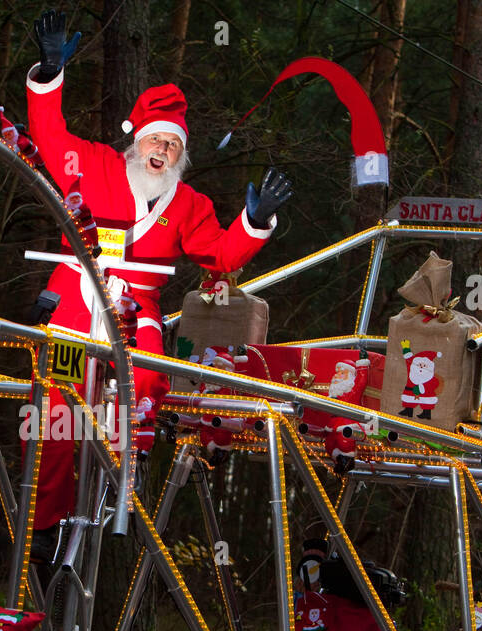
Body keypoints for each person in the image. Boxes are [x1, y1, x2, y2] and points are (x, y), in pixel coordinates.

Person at [24, 9, 292, 561]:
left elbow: (220, 257)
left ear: (181, 154)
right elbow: (47, 134)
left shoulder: (188, 205)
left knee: (147, 380)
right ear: (135, 141)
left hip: (136, 310)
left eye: (172, 145)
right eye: (155, 140)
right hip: (78, 298)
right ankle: (46, 526)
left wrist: (256, 221)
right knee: (56, 411)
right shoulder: (93, 166)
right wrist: (50, 73)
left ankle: (121, 481)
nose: (162, 152)